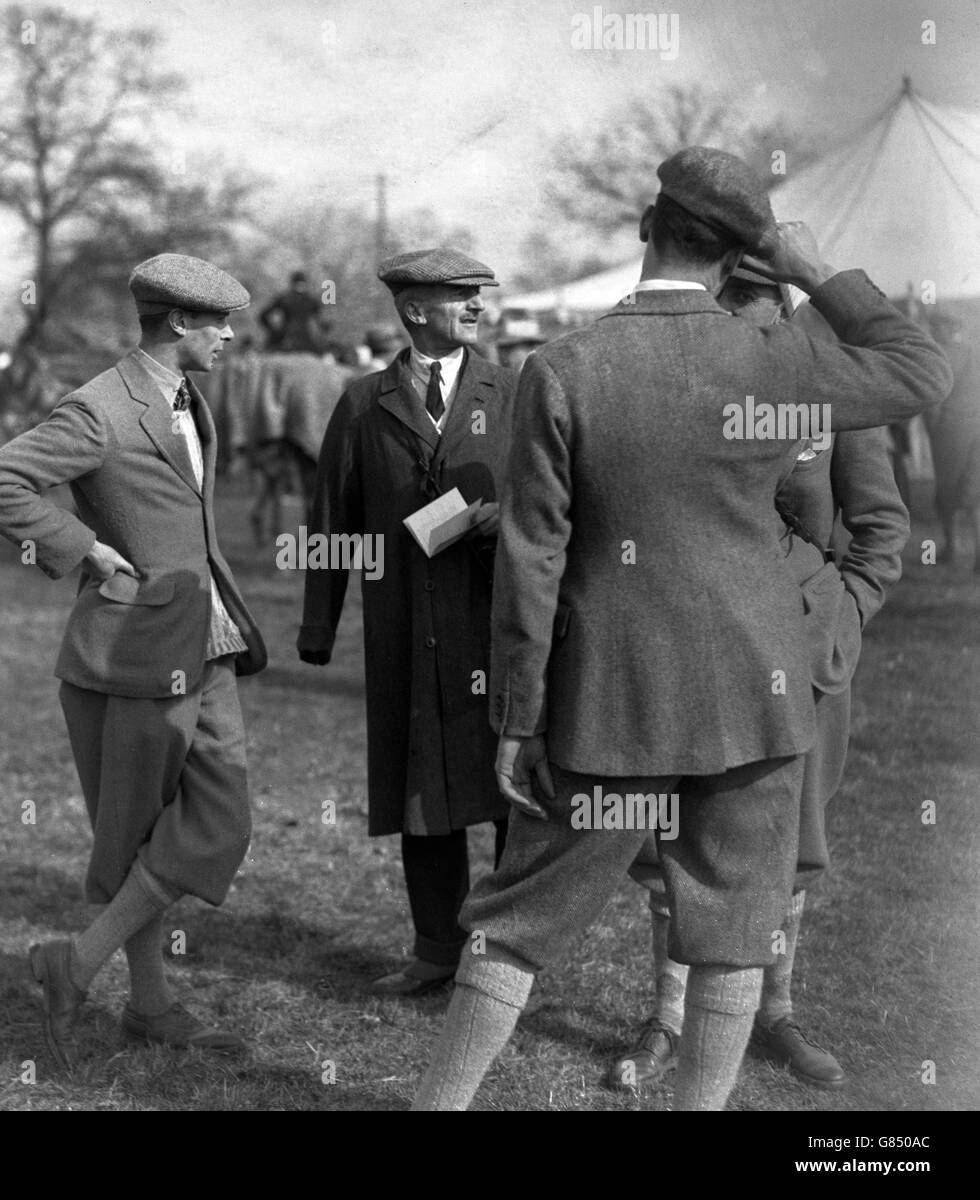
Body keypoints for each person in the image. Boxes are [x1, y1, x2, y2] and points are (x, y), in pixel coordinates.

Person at [411, 147, 952, 1111]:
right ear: (748, 256)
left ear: (644, 232)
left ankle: (438, 1107)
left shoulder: (561, 368)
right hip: (758, 697)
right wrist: (817, 270)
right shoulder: (776, 355)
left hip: (605, 700)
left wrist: (519, 716)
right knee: (736, 924)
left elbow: (533, 557)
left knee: (520, 920)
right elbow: (919, 368)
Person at [608, 263, 910, 1093]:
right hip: (687, 646)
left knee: (793, 841)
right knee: (672, 832)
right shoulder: (670, 376)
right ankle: (668, 1017)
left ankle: (774, 1013)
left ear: (785, 301)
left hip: (801, 654)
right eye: (728, 303)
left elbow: (880, 521)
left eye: (760, 301)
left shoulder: (827, 378)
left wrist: (845, 614)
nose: (744, 319)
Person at [0, 253, 267, 1069]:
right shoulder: (99, 408)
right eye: (219, 322)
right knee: (132, 832)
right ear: (177, 325)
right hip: (131, 651)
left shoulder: (186, 398)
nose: (232, 335)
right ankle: (150, 1005)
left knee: (222, 815)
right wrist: (86, 550)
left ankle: (78, 961)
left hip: (210, 640)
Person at [299, 249, 514, 996]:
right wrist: (318, 624)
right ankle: (436, 949)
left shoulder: (514, 391)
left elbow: (558, 504)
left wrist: (498, 522)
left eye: (477, 296)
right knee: (424, 790)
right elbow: (333, 517)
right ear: (414, 310)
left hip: (495, 626)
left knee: (510, 787)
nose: (476, 307)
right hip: (403, 630)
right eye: (459, 297)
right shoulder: (363, 403)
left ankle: (509, 955)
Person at [922, 310, 980, 570]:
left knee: (949, 491)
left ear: (947, 327)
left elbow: (935, 394)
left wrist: (933, 427)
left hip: (952, 430)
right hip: (974, 426)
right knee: (973, 489)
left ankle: (952, 548)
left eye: (936, 327)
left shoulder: (943, 354)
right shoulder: (972, 349)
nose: (933, 332)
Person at [259, 270, 328, 354]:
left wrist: (273, 330)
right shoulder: (311, 300)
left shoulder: (284, 298)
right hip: (306, 340)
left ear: (292, 283)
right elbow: (322, 324)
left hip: (284, 338)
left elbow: (263, 315)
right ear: (305, 283)